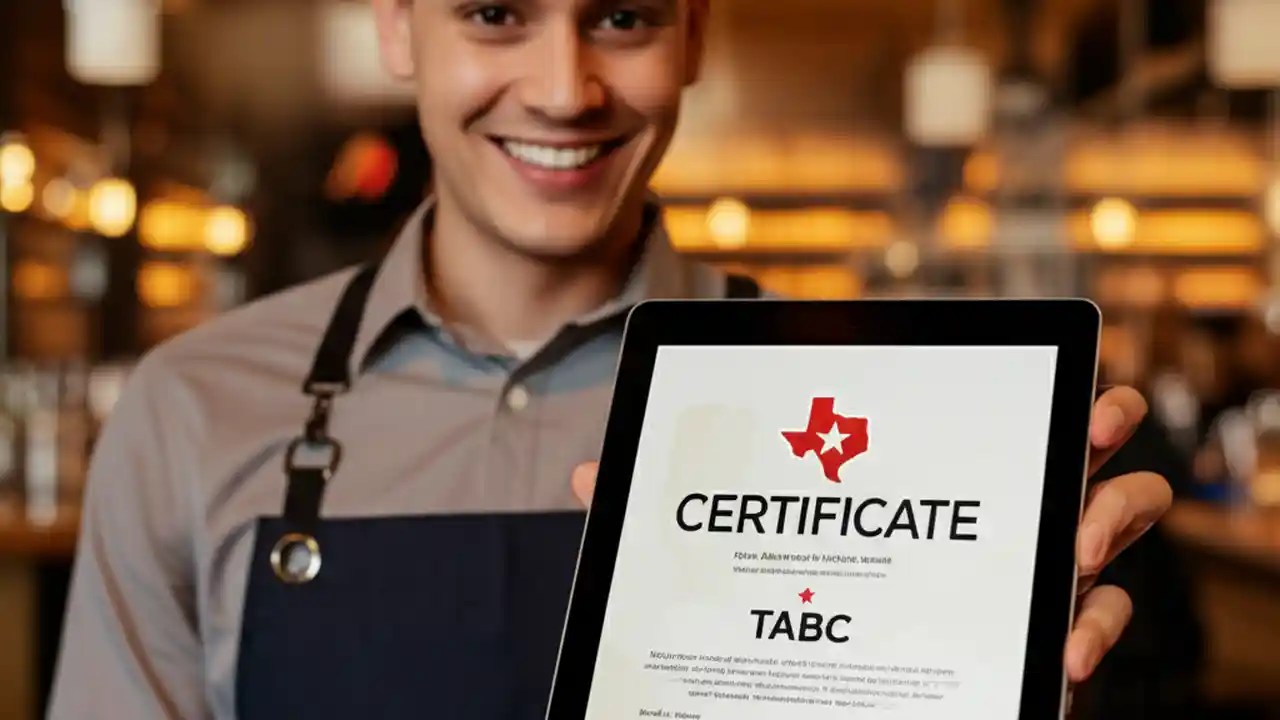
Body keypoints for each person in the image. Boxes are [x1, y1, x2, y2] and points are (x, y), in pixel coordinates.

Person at [48, 1, 1174, 717]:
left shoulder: (872, 407)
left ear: (694, 36)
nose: (561, 88)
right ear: (397, 28)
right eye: (493, 13)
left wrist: (985, 683)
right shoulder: (193, 406)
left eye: (623, 18)